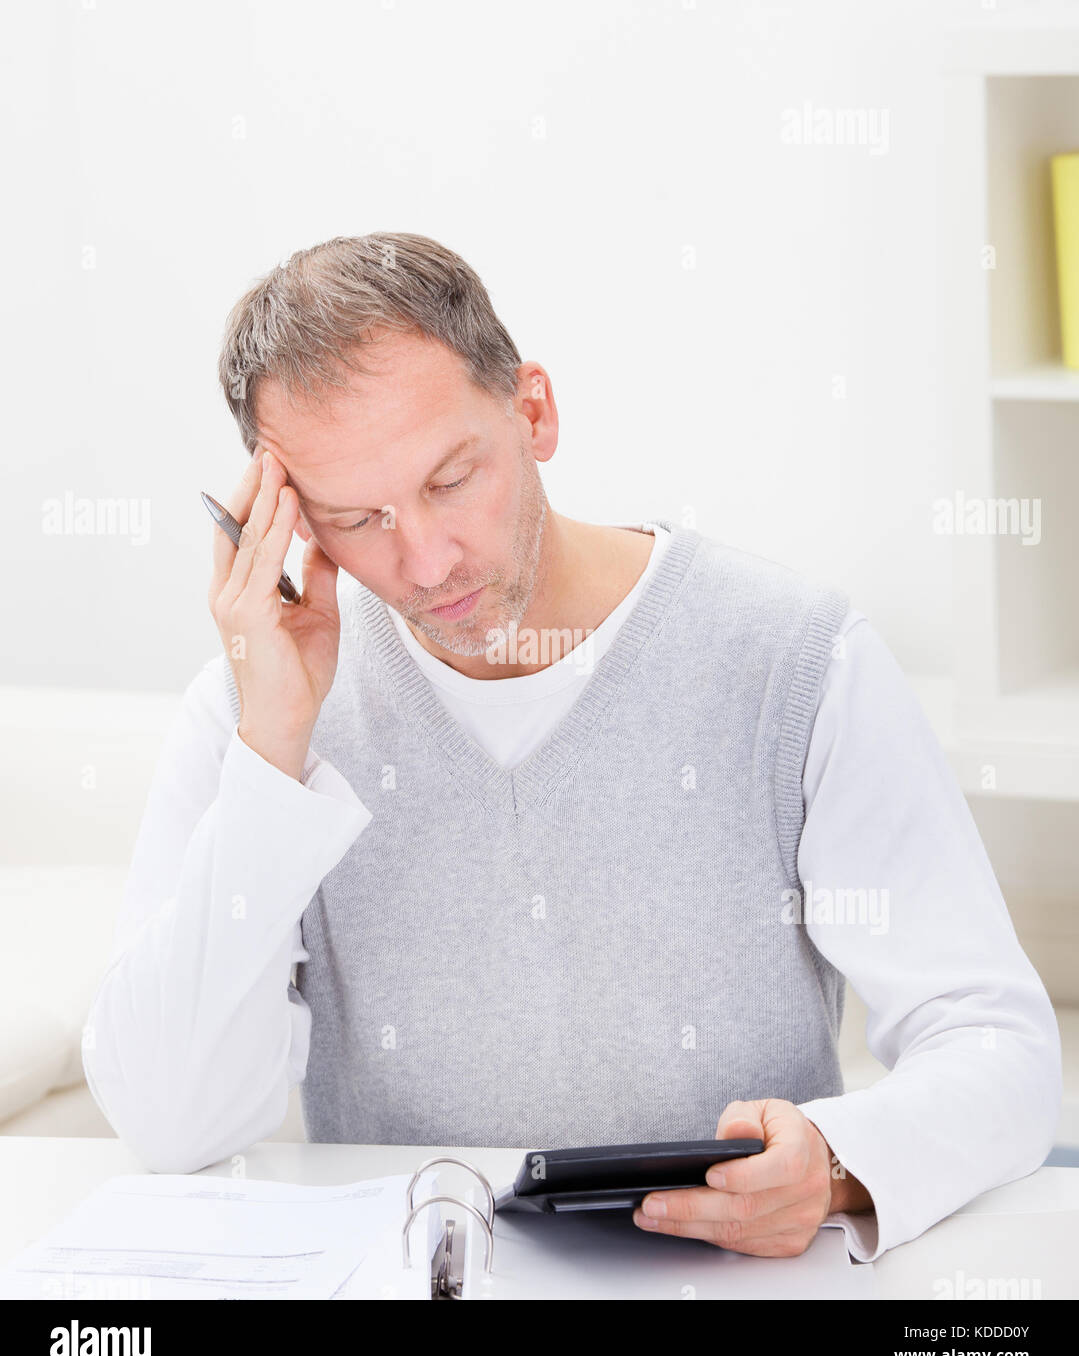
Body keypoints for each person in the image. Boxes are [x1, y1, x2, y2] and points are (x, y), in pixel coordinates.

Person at [82, 232, 1061, 1262]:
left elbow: (997, 1046)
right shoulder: (258, 711)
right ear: (290, 527)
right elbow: (171, 1122)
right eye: (356, 518)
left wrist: (837, 1159)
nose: (423, 560)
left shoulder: (793, 658)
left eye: (451, 479)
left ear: (532, 412)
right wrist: (272, 748)